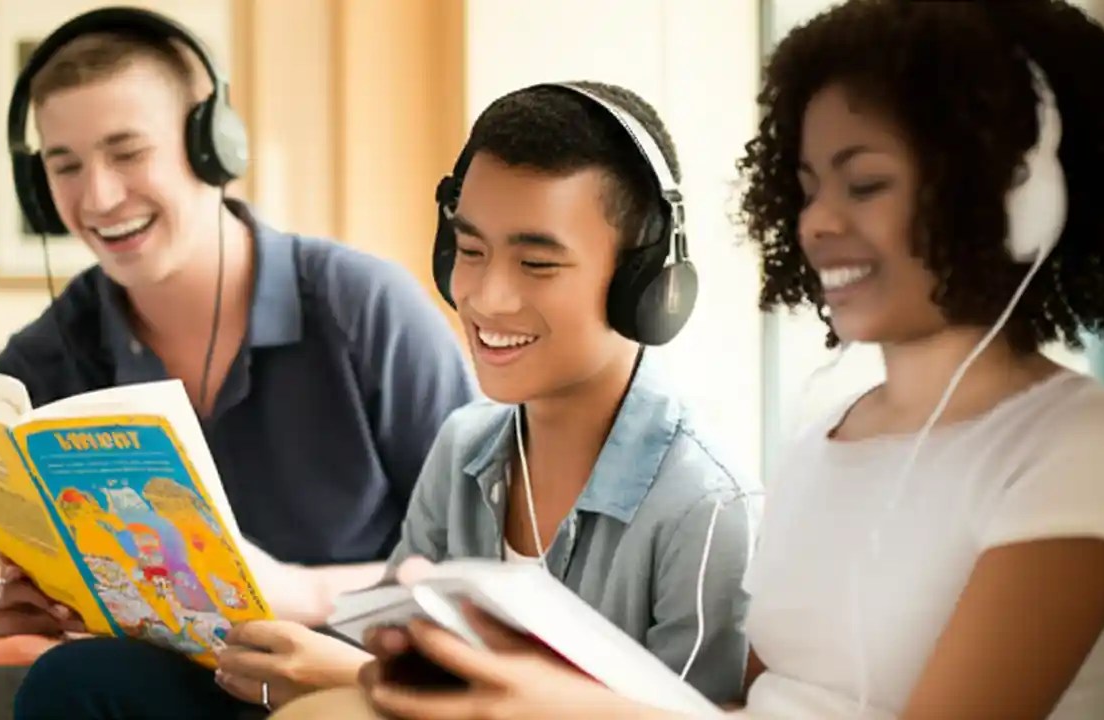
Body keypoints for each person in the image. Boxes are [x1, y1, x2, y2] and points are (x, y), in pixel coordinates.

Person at [355, 2, 1104, 719]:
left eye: (866, 184)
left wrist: (566, 710)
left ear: (1013, 200)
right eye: (808, 187)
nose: (816, 225)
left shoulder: (1064, 448)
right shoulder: (825, 438)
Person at [0, 7, 473, 719]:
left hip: (349, 681)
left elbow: (479, 565)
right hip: (181, 687)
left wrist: (302, 592)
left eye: (128, 152)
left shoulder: (365, 309)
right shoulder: (46, 352)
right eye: (65, 166)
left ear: (213, 147)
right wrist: (12, 597)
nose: (99, 197)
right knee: (70, 682)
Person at [204, 80, 760, 715]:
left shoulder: (708, 510)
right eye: (470, 250)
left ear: (647, 284)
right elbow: (401, 650)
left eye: (537, 264)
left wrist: (351, 676)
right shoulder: (464, 446)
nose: (486, 296)